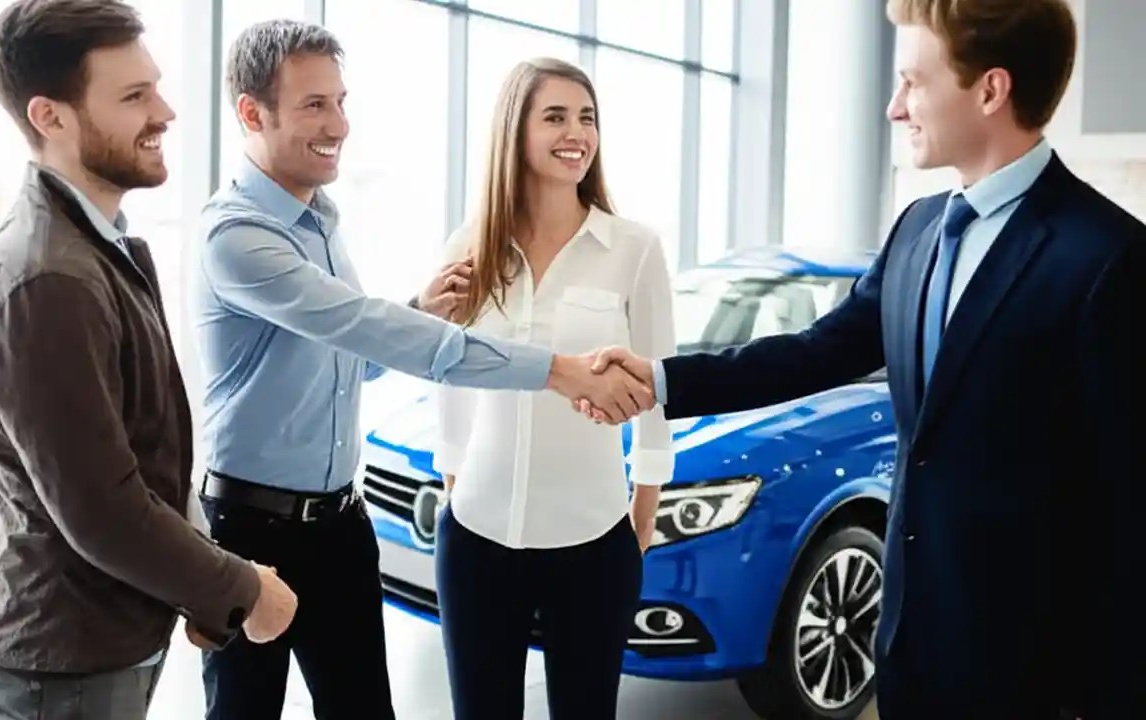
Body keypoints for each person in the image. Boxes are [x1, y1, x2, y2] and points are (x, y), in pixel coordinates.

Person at [586, 0, 1145, 717]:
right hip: (908, 649)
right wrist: (658, 380)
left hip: (1036, 673)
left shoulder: (1108, 259)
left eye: (913, 82)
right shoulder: (917, 231)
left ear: (991, 89)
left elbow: (1128, 515)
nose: (892, 107)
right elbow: (817, 352)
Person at [190, 21, 652, 720]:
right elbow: (370, 328)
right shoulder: (237, 236)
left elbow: (351, 356)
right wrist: (557, 371)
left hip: (341, 523)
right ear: (253, 113)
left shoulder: (321, 223)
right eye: (315, 105)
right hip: (251, 530)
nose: (339, 124)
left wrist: (417, 310)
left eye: (340, 101)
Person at [0, 1, 299, 718]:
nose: (167, 111)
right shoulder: (47, 279)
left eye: (157, 87)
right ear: (50, 117)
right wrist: (242, 592)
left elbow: (148, 457)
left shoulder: (95, 249)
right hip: (67, 661)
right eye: (134, 96)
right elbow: (103, 509)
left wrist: (205, 590)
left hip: (99, 641)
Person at [429, 57, 674, 720]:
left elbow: (659, 390)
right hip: (477, 534)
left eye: (587, 117)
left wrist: (641, 521)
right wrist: (453, 480)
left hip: (593, 541)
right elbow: (450, 369)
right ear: (517, 130)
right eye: (557, 116)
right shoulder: (470, 244)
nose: (578, 133)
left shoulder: (634, 248)